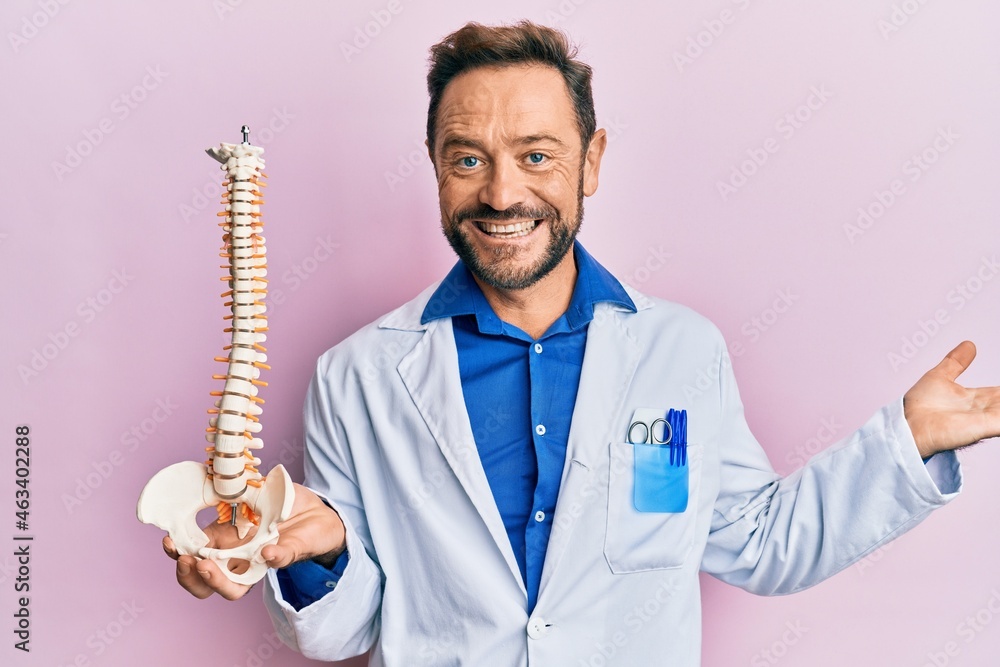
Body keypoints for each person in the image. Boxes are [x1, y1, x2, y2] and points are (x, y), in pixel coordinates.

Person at [164, 21, 1000, 666]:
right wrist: (324, 552)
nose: (502, 191)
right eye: (467, 158)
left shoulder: (681, 352)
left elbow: (758, 540)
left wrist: (907, 441)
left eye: (537, 154)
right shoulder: (355, 376)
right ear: (433, 163)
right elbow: (342, 630)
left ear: (591, 161)